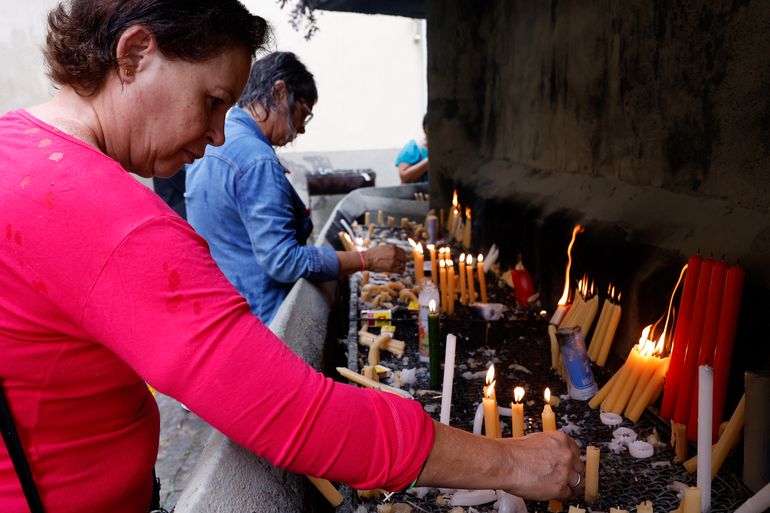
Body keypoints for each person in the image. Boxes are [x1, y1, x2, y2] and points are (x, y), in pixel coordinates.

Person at [0, 1, 583, 511]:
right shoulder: (101, 212)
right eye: (211, 102)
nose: (218, 136)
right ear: (134, 56)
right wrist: (510, 464)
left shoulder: (16, 144)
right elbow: (297, 416)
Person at [186, 52, 404, 324]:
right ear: (279, 91)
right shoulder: (257, 160)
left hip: (223, 310)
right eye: (303, 113)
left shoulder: (216, 141)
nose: (300, 129)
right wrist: (366, 259)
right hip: (264, 319)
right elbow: (284, 262)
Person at [395, 113, 429, 183]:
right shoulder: (413, 148)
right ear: (427, 129)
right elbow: (404, 178)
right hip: (418, 193)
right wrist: (429, 162)